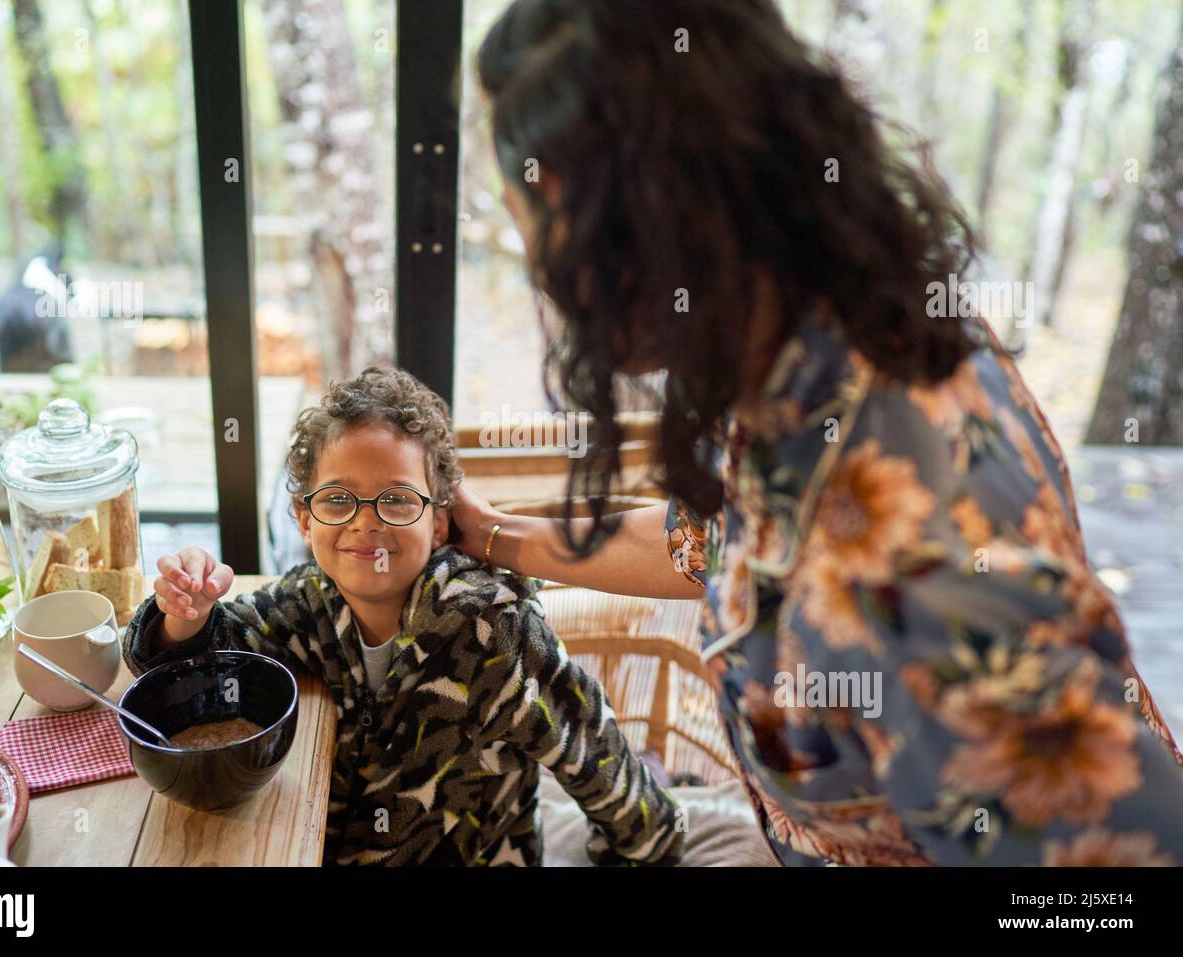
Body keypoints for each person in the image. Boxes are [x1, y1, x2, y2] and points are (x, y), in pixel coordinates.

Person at [450, 0, 1183, 866]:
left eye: (528, 214)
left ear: (641, 231)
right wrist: (493, 534)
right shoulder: (817, 333)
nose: (530, 258)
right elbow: (719, 550)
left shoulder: (915, 573)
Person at [123, 366, 684, 866]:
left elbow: (588, 742)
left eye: (395, 499)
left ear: (440, 521)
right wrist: (185, 613)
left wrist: (643, 847)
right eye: (338, 500)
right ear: (304, 521)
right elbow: (199, 657)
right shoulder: (306, 601)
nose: (366, 523)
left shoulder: (491, 626)